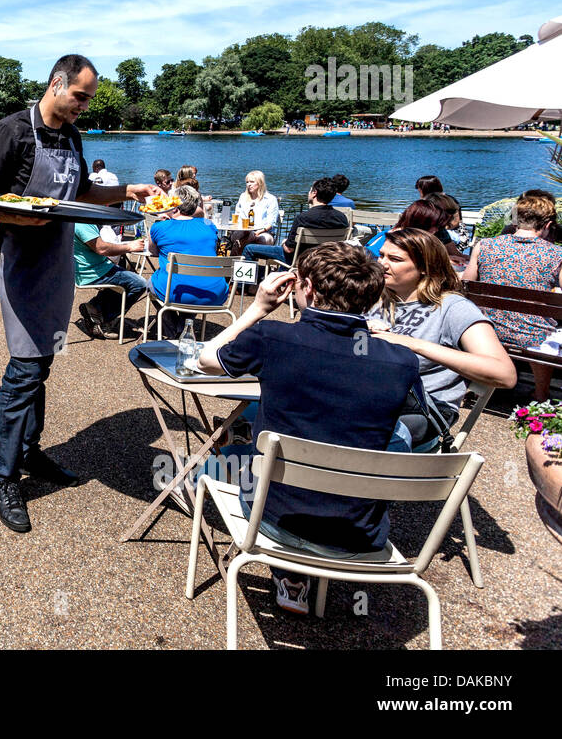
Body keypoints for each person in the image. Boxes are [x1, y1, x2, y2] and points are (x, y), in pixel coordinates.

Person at [0, 53, 159, 533]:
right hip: (21, 258)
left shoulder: (73, 136)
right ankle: (5, 476)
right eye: (80, 95)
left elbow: (78, 196)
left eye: (88, 98)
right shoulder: (13, 130)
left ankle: (31, 452)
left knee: (44, 362)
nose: (84, 105)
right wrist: (23, 218)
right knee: (25, 365)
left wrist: (127, 191)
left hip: (57, 257)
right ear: (57, 84)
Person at [197, 243, 421, 615]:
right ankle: (296, 578)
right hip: (357, 536)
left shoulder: (273, 338)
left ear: (310, 288)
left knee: (229, 463)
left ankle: (289, 572)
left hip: (271, 522)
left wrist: (258, 308)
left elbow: (206, 360)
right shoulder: (401, 360)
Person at [367, 228, 516, 449]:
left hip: (423, 407)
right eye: (381, 256)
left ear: (426, 268)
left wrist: (412, 344)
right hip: (370, 393)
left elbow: (504, 374)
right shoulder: (374, 297)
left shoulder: (452, 308)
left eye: (394, 259)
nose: (382, 264)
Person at [462, 191, 562, 400]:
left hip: (486, 328)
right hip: (533, 334)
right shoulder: (556, 254)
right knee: (543, 327)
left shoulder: (485, 245)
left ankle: (478, 383)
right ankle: (541, 393)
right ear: (547, 225)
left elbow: (468, 285)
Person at [146, 185, 227, 335]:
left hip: (176, 294)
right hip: (214, 294)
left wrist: (164, 222)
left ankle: (173, 331)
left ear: (175, 207)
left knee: (151, 282)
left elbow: (152, 251)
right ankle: (184, 325)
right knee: (190, 280)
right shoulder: (210, 225)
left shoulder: (160, 227)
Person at [242, 177, 348, 267]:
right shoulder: (342, 218)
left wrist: (284, 243)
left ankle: (249, 285)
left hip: (301, 259)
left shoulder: (304, 218)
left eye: (310, 190)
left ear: (314, 193)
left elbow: (288, 249)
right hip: (327, 262)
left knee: (249, 249)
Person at [74, 221, 147, 339]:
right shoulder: (82, 222)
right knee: (140, 283)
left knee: (126, 280)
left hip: (94, 267)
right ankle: (102, 319)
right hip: (93, 271)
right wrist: (129, 247)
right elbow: (102, 249)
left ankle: (94, 307)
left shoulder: (79, 217)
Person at [230, 170, 279, 251]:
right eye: (247, 182)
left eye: (252, 182)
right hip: (243, 230)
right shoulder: (243, 197)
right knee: (236, 236)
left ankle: (237, 257)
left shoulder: (270, 199)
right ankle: (238, 258)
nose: (249, 184)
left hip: (263, 231)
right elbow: (237, 216)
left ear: (260, 183)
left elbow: (271, 223)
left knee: (263, 239)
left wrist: (258, 232)